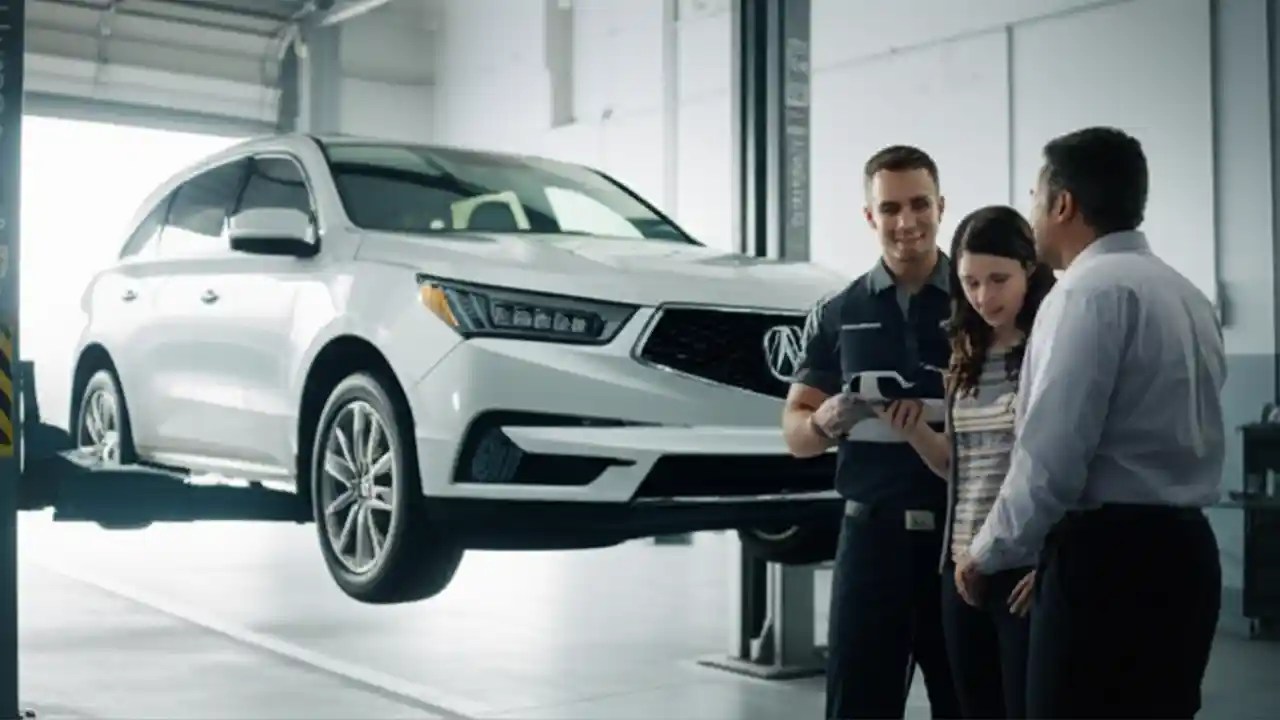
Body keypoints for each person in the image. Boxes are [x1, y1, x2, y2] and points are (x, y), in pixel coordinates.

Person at [953, 126, 1226, 719]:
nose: (1031, 210)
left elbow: (1050, 457)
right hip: (1189, 556)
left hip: (1107, 562)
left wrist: (986, 552)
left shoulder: (1084, 294)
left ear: (1063, 204)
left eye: (1035, 195)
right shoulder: (1189, 296)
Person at [783, 144, 961, 719]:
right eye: (890, 208)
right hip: (871, 543)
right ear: (869, 216)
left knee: (970, 704)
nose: (907, 221)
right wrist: (821, 422)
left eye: (920, 204)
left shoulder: (979, 300)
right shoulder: (838, 311)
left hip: (960, 540)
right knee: (858, 706)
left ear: (941, 207)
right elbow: (795, 434)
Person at [877, 205, 1056, 718]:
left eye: (998, 279)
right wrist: (913, 429)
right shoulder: (965, 354)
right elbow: (960, 470)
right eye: (970, 282)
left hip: (1023, 567)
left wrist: (1053, 563)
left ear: (1029, 270)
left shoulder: (1048, 350)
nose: (983, 296)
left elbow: (1061, 468)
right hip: (961, 567)